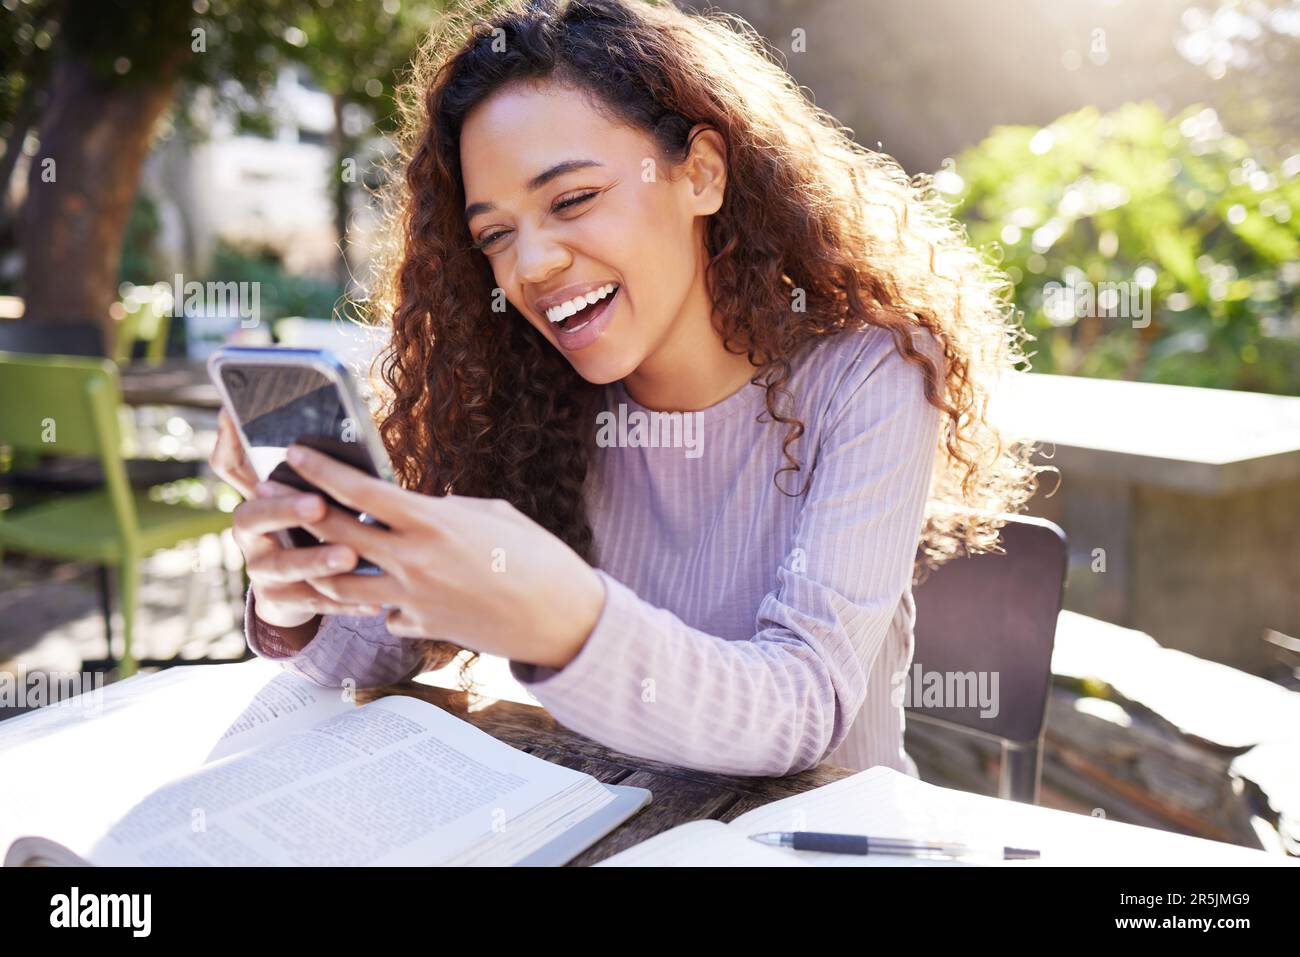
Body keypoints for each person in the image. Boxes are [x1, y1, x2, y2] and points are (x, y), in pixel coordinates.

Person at [210, 0, 1039, 777]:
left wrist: (568, 619)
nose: (532, 265)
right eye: (495, 234)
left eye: (573, 198)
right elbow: (383, 652)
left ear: (701, 174)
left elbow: (802, 707)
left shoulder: (871, 371)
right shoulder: (531, 389)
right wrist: (298, 593)